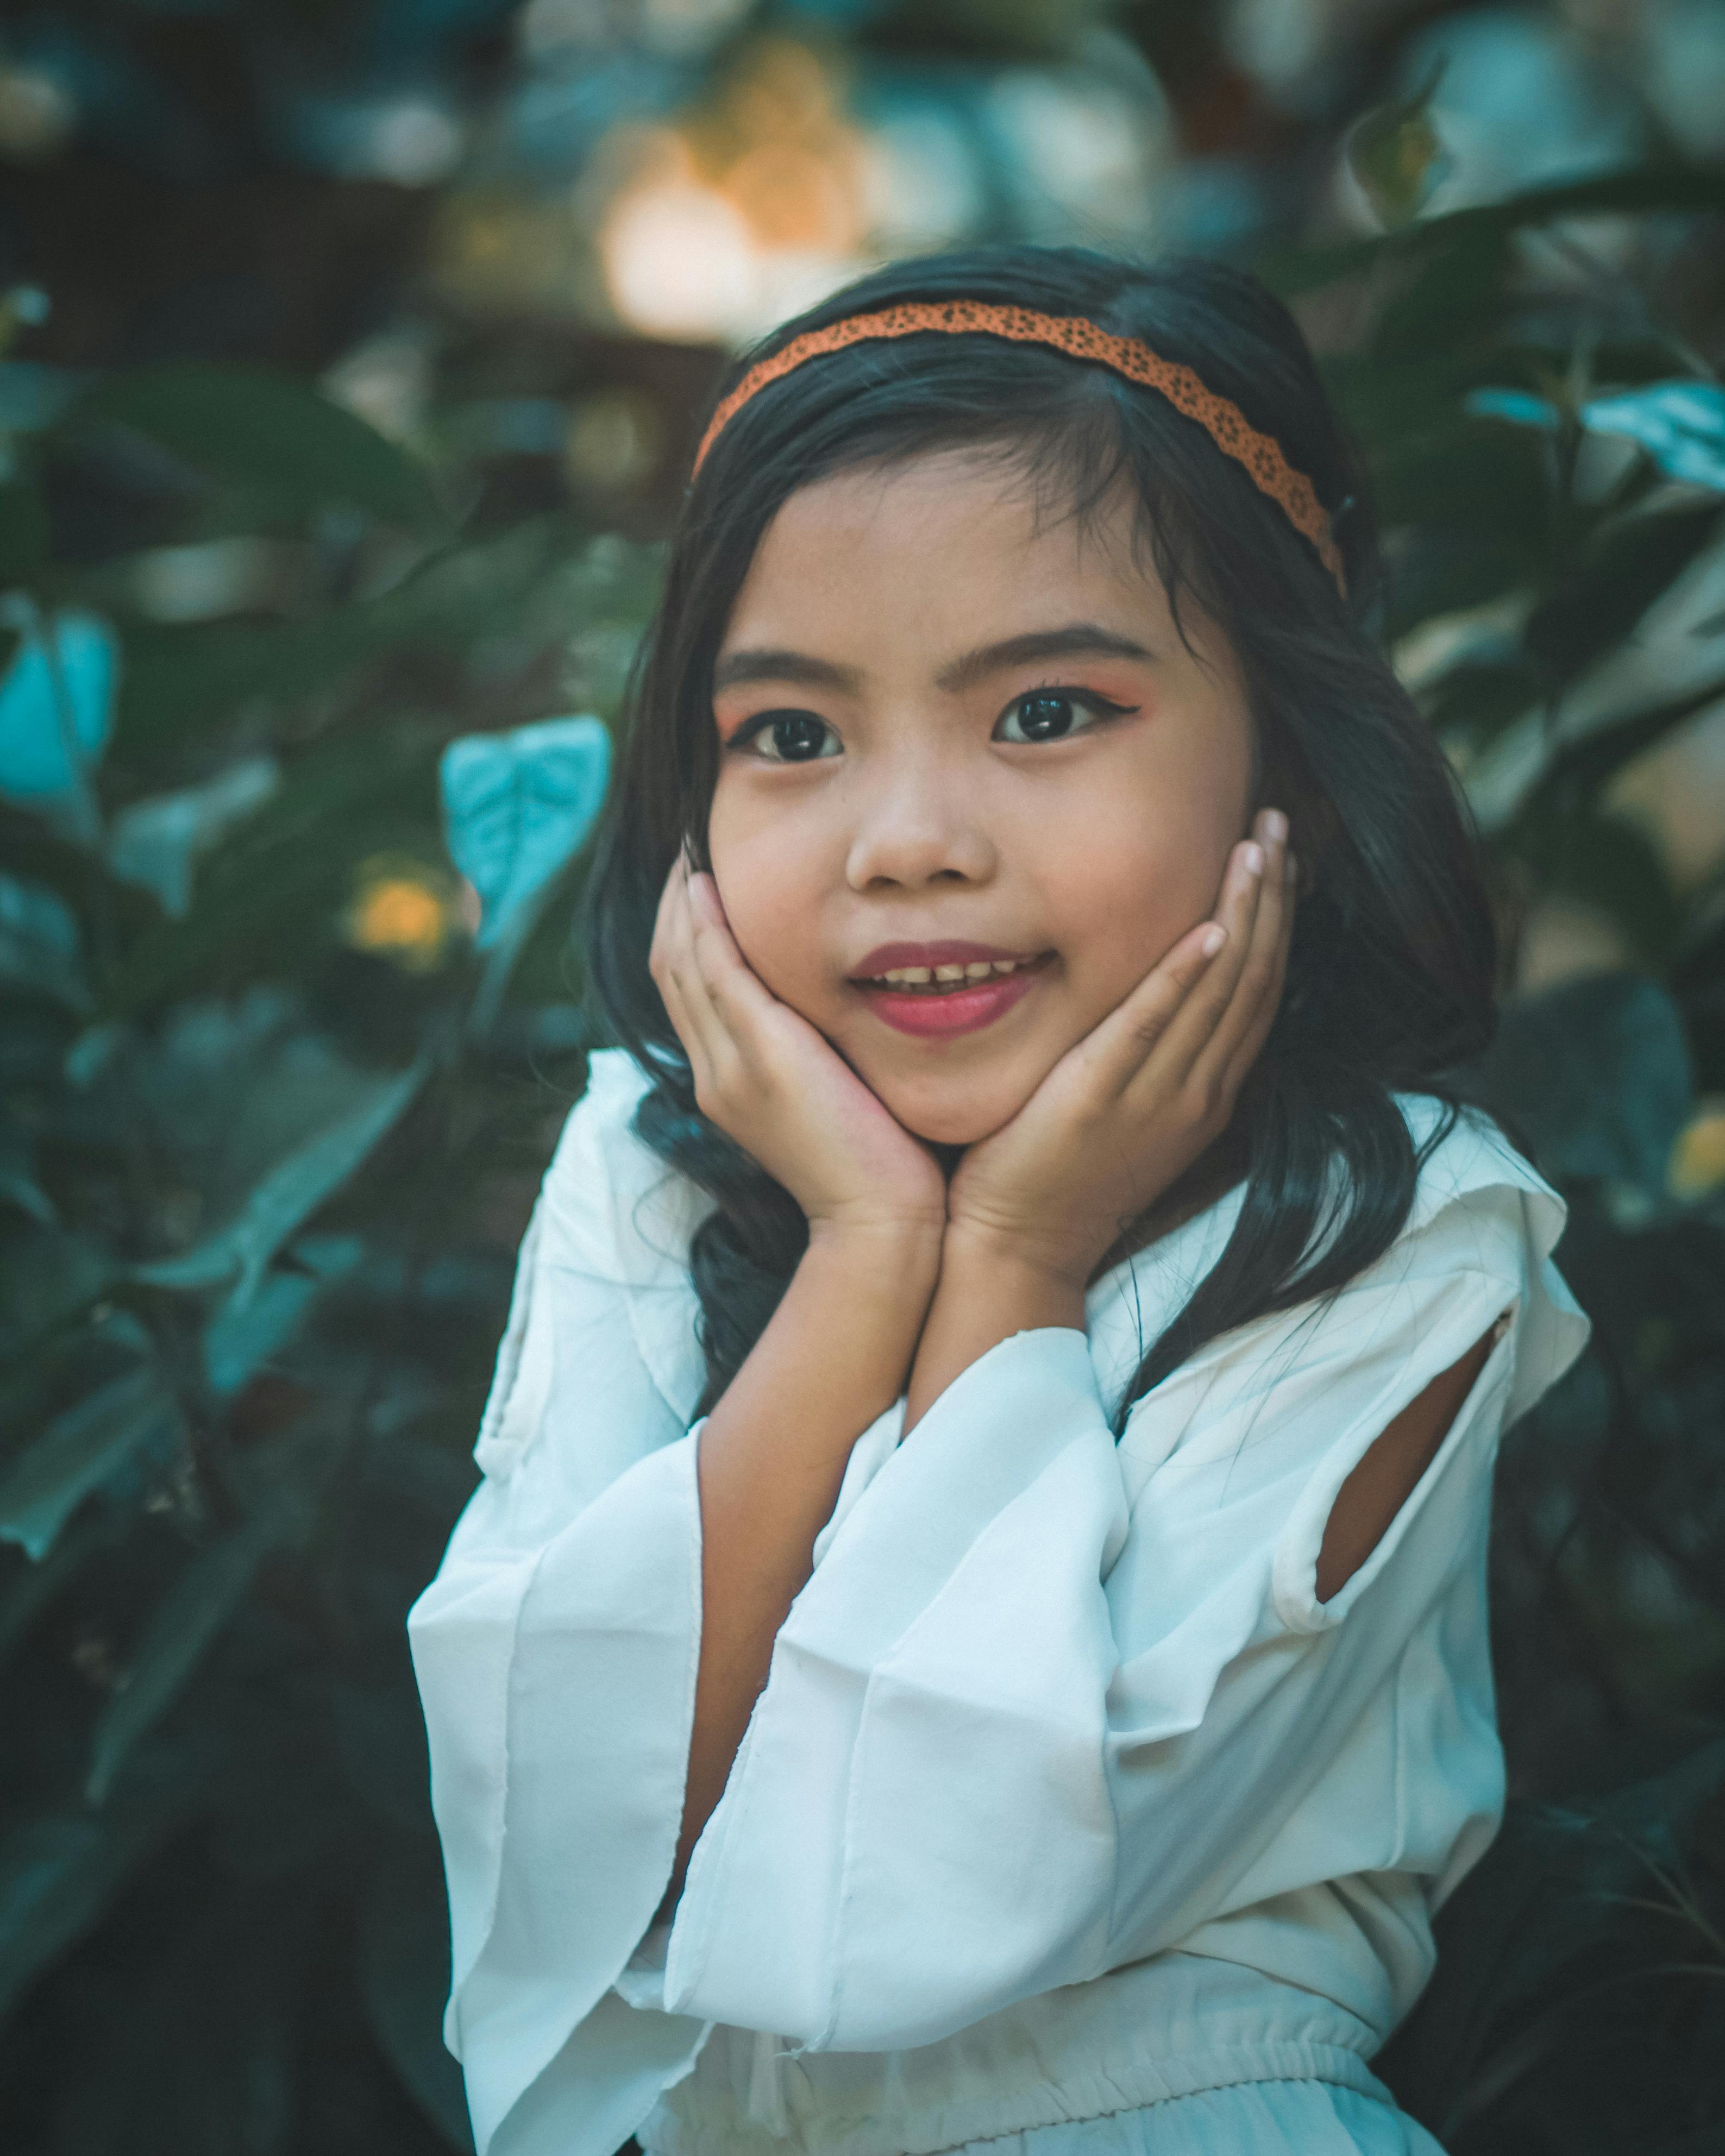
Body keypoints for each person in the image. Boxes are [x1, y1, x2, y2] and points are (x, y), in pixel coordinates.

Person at [406, 247, 1590, 2156]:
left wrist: (1011, 1260)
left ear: (1289, 751)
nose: (909, 844)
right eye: (791, 735)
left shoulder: (1397, 1237)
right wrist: (871, 1244)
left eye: (1046, 712)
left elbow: (899, 1898)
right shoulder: (650, 1165)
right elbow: (563, 1858)